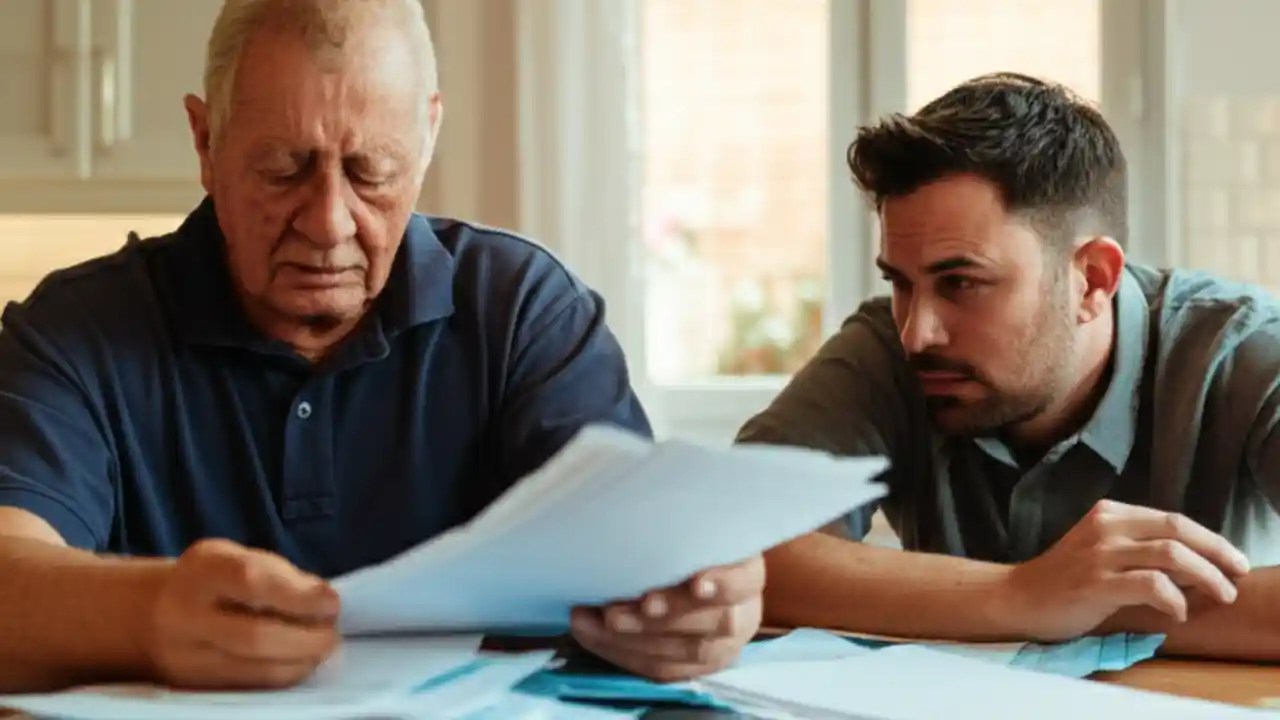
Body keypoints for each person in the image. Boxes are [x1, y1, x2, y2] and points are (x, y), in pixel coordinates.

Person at [0, 0, 762, 693]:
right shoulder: (77, 333)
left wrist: (700, 601)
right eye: (281, 169)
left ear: (427, 135)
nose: (329, 222)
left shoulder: (522, 313)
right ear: (205, 141)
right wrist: (151, 616)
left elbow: (638, 548)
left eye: (373, 172)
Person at [740, 72, 1280, 661]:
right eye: (900, 282)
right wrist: (1026, 596)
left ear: (1091, 281)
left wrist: (1103, 603)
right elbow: (728, 545)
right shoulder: (886, 350)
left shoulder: (1244, 350)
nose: (917, 331)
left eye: (963, 283)